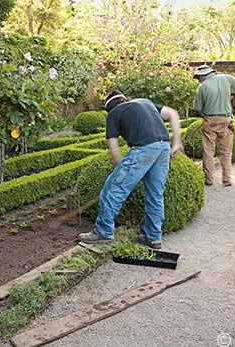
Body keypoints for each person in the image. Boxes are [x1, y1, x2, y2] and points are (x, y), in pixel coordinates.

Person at [78, 91, 183, 249]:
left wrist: (124, 173)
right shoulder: (145, 101)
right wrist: (177, 143)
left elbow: (114, 149)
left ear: (109, 108)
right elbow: (173, 114)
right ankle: (153, 237)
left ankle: (103, 232)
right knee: (155, 193)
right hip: (163, 147)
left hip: (143, 148)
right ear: (124, 99)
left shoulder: (113, 114)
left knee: (112, 189)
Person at [193, 65, 235, 187]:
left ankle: (208, 179)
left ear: (203, 75)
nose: (198, 79)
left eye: (198, 77)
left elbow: (198, 109)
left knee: (208, 151)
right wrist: (231, 96)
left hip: (210, 120)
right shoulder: (225, 78)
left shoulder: (201, 87)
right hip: (226, 120)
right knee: (226, 152)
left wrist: (205, 115)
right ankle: (226, 179)